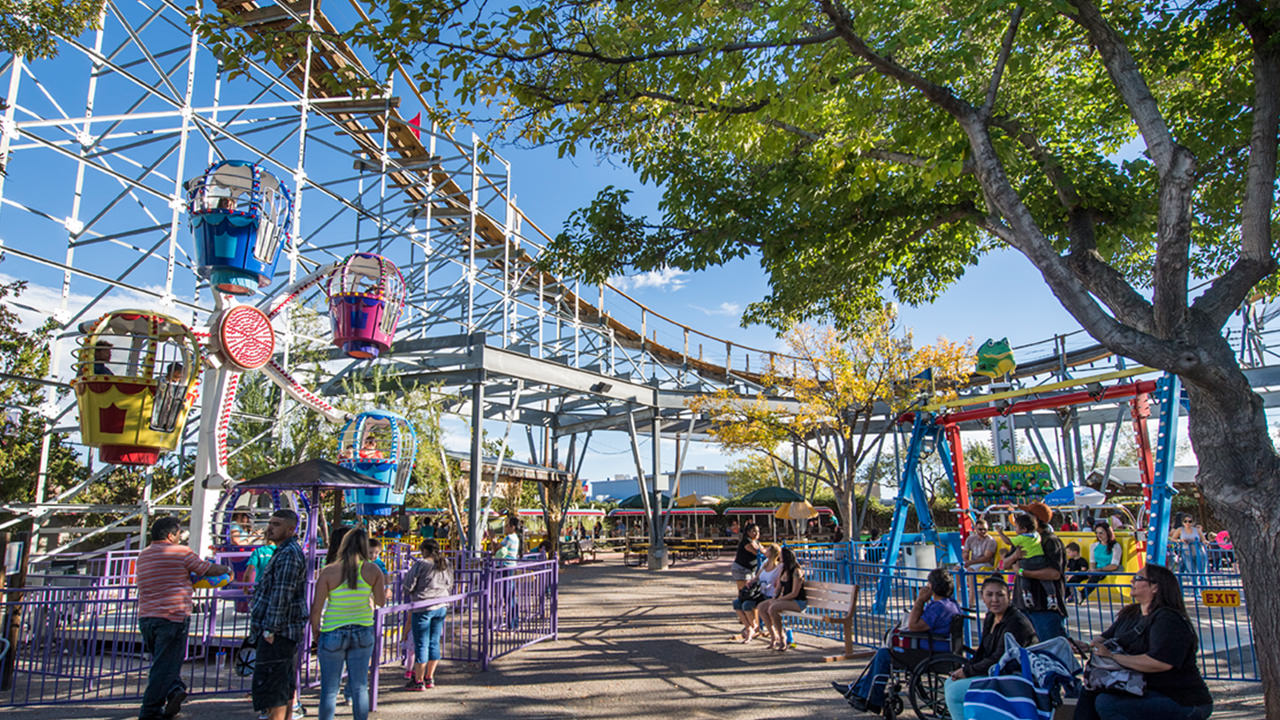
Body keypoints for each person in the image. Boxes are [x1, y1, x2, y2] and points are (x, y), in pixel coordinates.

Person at [1073, 563, 1213, 720]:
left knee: (1108, 703)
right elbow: (1105, 638)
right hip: (1138, 687)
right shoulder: (1130, 614)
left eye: (1138, 578)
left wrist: (1113, 656)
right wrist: (1087, 646)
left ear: (1155, 587)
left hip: (1179, 698)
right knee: (1091, 691)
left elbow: (1159, 662)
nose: (1132, 581)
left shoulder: (1168, 619)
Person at [135, 517, 231, 720]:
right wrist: (227, 571)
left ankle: (175, 691)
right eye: (179, 534)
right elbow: (206, 569)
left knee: (162, 662)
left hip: (147, 617)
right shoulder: (180, 552)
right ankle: (150, 711)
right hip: (173, 616)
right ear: (171, 535)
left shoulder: (143, 555)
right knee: (165, 666)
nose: (180, 537)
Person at [836, 567, 960, 712]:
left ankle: (870, 696)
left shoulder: (938, 607)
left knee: (884, 654)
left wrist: (920, 600)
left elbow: (914, 626)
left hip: (928, 652)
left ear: (932, 586)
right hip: (940, 648)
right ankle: (857, 689)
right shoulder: (951, 604)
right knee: (885, 651)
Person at [310, 527, 386, 720]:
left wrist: (316, 631)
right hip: (363, 629)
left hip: (333, 629)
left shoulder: (329, 571)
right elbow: (381, 601)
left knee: (329, 688)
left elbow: (316, 608)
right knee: (360, 686)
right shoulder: (373, 570)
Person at [943, 575, 1038, 719]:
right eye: (989, 595)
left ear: (1008, 597)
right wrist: (965, 669)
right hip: (995, 671)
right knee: (949, 682)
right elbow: (983, 651)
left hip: (1013, 676)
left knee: (954, 693)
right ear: (983, 597)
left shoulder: (1016, 622)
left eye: (1000, 595)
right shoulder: (991, 617)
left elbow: (999, 658)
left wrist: (968, 672)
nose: (995, 599)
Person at [249, 509, 308, 720]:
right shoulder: (282, 551)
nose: (270, 528)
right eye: (271, 523)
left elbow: (282, 594)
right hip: (278, 629)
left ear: (290, 529)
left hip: (279, 631)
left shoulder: (289, 554)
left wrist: (270, 629)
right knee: (281, 685)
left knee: (275, 688)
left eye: (276, 524)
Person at [403, 539, 454, 690]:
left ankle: (418, 680)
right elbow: (450, 583)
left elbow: (408, 584)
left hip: (423, 605)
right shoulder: (446, 563)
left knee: (421, 643)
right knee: (434, 641)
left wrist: (411, 593)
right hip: (441, 604)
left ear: (424, 550)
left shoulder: (421, 564)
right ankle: (429, 677)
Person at [1011, 501, 1067, 641]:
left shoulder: (1051, 541)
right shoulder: (1022, 539)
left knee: (1050, 648)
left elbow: (1054, 573)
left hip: (1045, 608)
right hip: (1022, 606)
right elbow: (1006, 563)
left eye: (1026, 515)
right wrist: (1014, 557)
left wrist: (1024, 573)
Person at [999, 512, 1058, 606]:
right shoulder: (1036, 535)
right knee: (1045, 580)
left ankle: (1026, 593)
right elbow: (1006, 564)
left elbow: (1008, 541)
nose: (1015, 530)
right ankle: (1052, 597)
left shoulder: (1021, 538)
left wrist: (1000, 533)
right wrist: (1014, 556)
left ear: (1024, 529)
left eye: (1016, 527)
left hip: (1026, 562)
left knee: (1023, 575)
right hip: (1040, 560)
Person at [758, 546, 807, 651]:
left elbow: (794, 593)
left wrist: (779, 600)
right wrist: (775, 597)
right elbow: (779, 587)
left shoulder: (796, 571)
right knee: (761, 607)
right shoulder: (783, 570)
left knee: (773, 608)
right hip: (786, 599)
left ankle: (782, 638)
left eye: (781, 556)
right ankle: (773, 636)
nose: (779, 558)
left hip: (797, 601)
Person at [733, 543, 782, 643]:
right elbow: (757, 577)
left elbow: (779, 582)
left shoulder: (778, 568)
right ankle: (750, 628)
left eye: (768, 550)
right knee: (737, 603)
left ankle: (756, 628)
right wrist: (750, 582)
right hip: (759, 593)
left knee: (747, 605)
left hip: (769, 595)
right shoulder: (765, 563)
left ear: (772, 553)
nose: (765, 551)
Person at [1081, 522, 1121, 602]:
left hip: (1107, 570)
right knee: (1078, 576)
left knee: (1095, 576)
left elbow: (1114, 565)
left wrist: (1099, 570)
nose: (1099, 535)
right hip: (1097, 570)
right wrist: (1092, 570)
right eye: (1097, 533)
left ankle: (1081, 595)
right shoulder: (1094, 546)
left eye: (1101, 533)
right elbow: (1092, 562)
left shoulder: (1115, 546)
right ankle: (1063, 596)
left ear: (1108, 533)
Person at [1170, 515, 1208, 581]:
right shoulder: (1180, 530)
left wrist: (1205, 542)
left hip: (1199, 552)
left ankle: (1204, 585)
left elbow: (1203, 539)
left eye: (1190, 521)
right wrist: (1180, 540)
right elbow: (1173, 539)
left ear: (1193, 522)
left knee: (1202, 572)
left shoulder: (1197, 530)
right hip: (1187, 553)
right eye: (1185, 521)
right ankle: (1195, 586)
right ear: (1183, 522)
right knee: (1192, 572)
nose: (1187, 523)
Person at [729, 522, 763, 590]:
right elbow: (756, 552)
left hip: (751, 570)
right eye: (754, 531)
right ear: (748, 532)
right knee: (744, 590)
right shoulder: (746, 541)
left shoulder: (756, 542)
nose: (757, 533)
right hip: (741, 569)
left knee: (750, 590)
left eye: (758, 531)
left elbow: (764, 551)